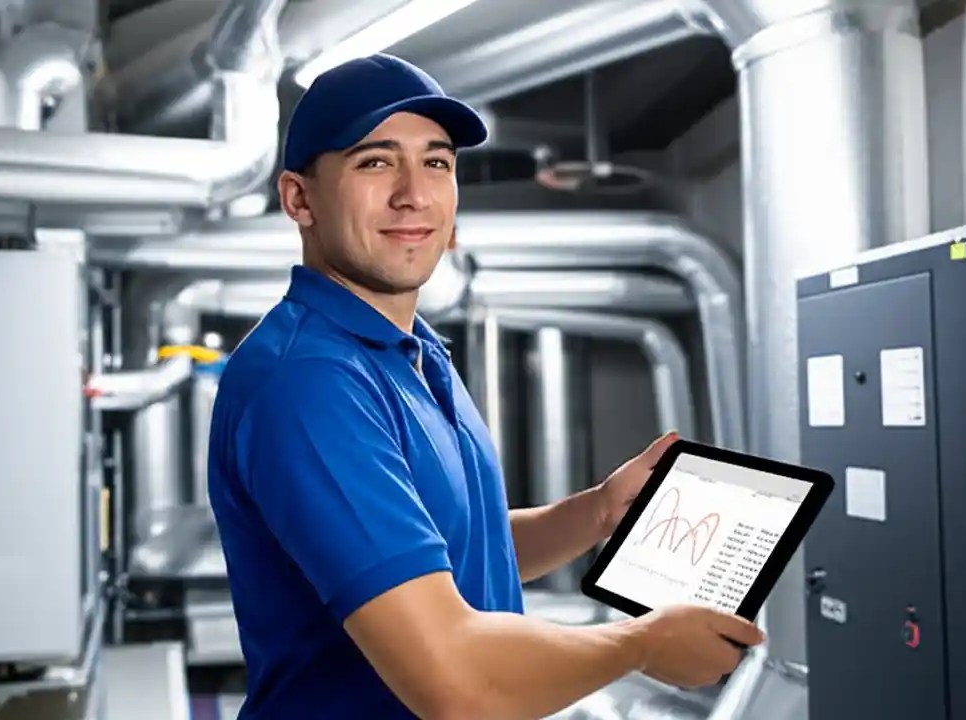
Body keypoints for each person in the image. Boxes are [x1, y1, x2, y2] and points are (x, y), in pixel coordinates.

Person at [206, 53, 763, 720]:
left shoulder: (415, 355)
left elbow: (441, 552)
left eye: (436, 162)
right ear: (300, 198)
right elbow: (457, 681)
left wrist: (594, 515)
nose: (414, 193)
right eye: (376, 162)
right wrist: (640, 645)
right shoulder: (310, 384)